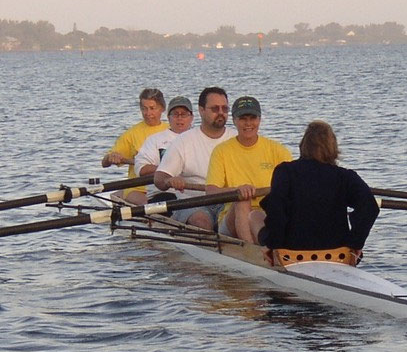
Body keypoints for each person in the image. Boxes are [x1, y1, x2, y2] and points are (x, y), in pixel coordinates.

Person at [259, 120, 378, 265]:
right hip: (337, 253)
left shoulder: (285, 172)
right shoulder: (345, 176)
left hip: (290, 253)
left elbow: (277, 211)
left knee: (254, 216)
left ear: (304, 145)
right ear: (333, 147)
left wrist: (272, 246)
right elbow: (370, 207)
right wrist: (355, 245)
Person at [204, 95, 292, 243]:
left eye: (253, 118)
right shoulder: (221, 151)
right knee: (243, 200)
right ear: (234, 121)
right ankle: (252, 252)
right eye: (243, 119)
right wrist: (237, 190)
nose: (248, 123)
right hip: (232, 219)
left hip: (267, 215)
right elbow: (210, 191)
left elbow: (292, 188)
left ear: (259, 120)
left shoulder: (278, 150)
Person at [154, 87, 236, 229]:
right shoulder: (184, 140)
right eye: (215, 109)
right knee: (202, 222)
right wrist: (169, 180)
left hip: (230, 201)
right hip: (194, 201)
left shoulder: (236, 138)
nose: (221, 113)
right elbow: (159, 178)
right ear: (201, 110)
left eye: (225, 109)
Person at [101, 88, 165, 204]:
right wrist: (110, 158)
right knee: (151, 206)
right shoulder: (131, 134)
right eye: (144, 109)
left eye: (152, 108)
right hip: (138, 188)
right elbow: (104, 163)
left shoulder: (170, 130)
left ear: (162, 109)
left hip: (164, 187)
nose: (148, 113)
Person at [133, 95, 194, 186]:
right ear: (168, 118)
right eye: (175, 114)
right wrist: (166, 171)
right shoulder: (154, 140)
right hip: (163, 192)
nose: (179, 118)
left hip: (196, 192)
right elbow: (141, 168)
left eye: (184, 114)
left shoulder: (200, 138)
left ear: (191, 117)